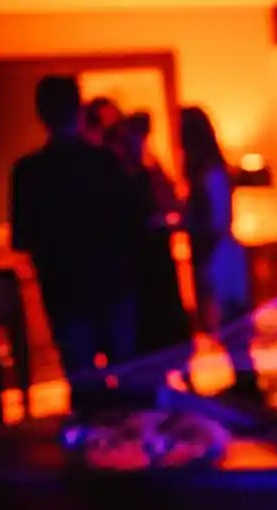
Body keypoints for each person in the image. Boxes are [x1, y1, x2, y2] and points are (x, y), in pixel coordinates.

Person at [11, 76, 141, 384]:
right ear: (78, 109)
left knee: (84, 387)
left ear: (41, 113)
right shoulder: (104, 162)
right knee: (128, 382)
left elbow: (23, 238)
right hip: (113, 285)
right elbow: (131, 225)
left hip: (65, 292)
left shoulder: (28, 172)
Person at [179, 106, 257, 394]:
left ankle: (246, 381)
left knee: (229, 321)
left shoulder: (207, 173)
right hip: (221, 252)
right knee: (231, 321)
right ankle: (245, 379)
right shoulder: (211, 170)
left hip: (218, 253)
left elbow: (216, 218)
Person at [106, 115, 190, 353]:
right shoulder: (125, 178)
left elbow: (171, 203)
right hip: (142, 267)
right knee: (153, 330)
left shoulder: (146, 172)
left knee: (163, 328)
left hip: (155, 262)